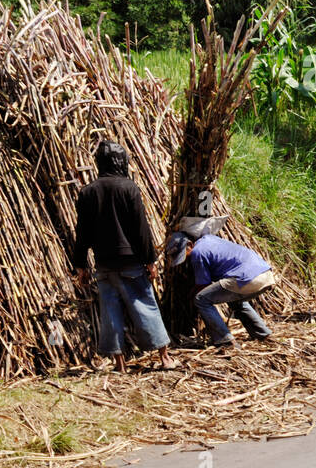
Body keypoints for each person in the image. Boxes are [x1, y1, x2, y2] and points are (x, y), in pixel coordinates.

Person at [71, 141, 177, 371]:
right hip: (130, 261)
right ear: (121, 162)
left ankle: (120, 363)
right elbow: (140, 228)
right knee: (145, 305)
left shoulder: (88, 192)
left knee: (110, 311)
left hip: (104, 262)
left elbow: (82, 232)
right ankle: (165, 358)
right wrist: (150, 261)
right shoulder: (128, 188)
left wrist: (80, 265)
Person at [167, 232, 276, 348]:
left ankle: (225, 341)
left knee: (201, 299)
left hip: (247, 278)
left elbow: (203, 285)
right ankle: (262, 333)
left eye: (184, 253)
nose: (186, 257)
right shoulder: (209, 238)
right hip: (265, 274)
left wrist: (190, 295)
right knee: (235, 300)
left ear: (190, 244)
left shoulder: (197, 253)